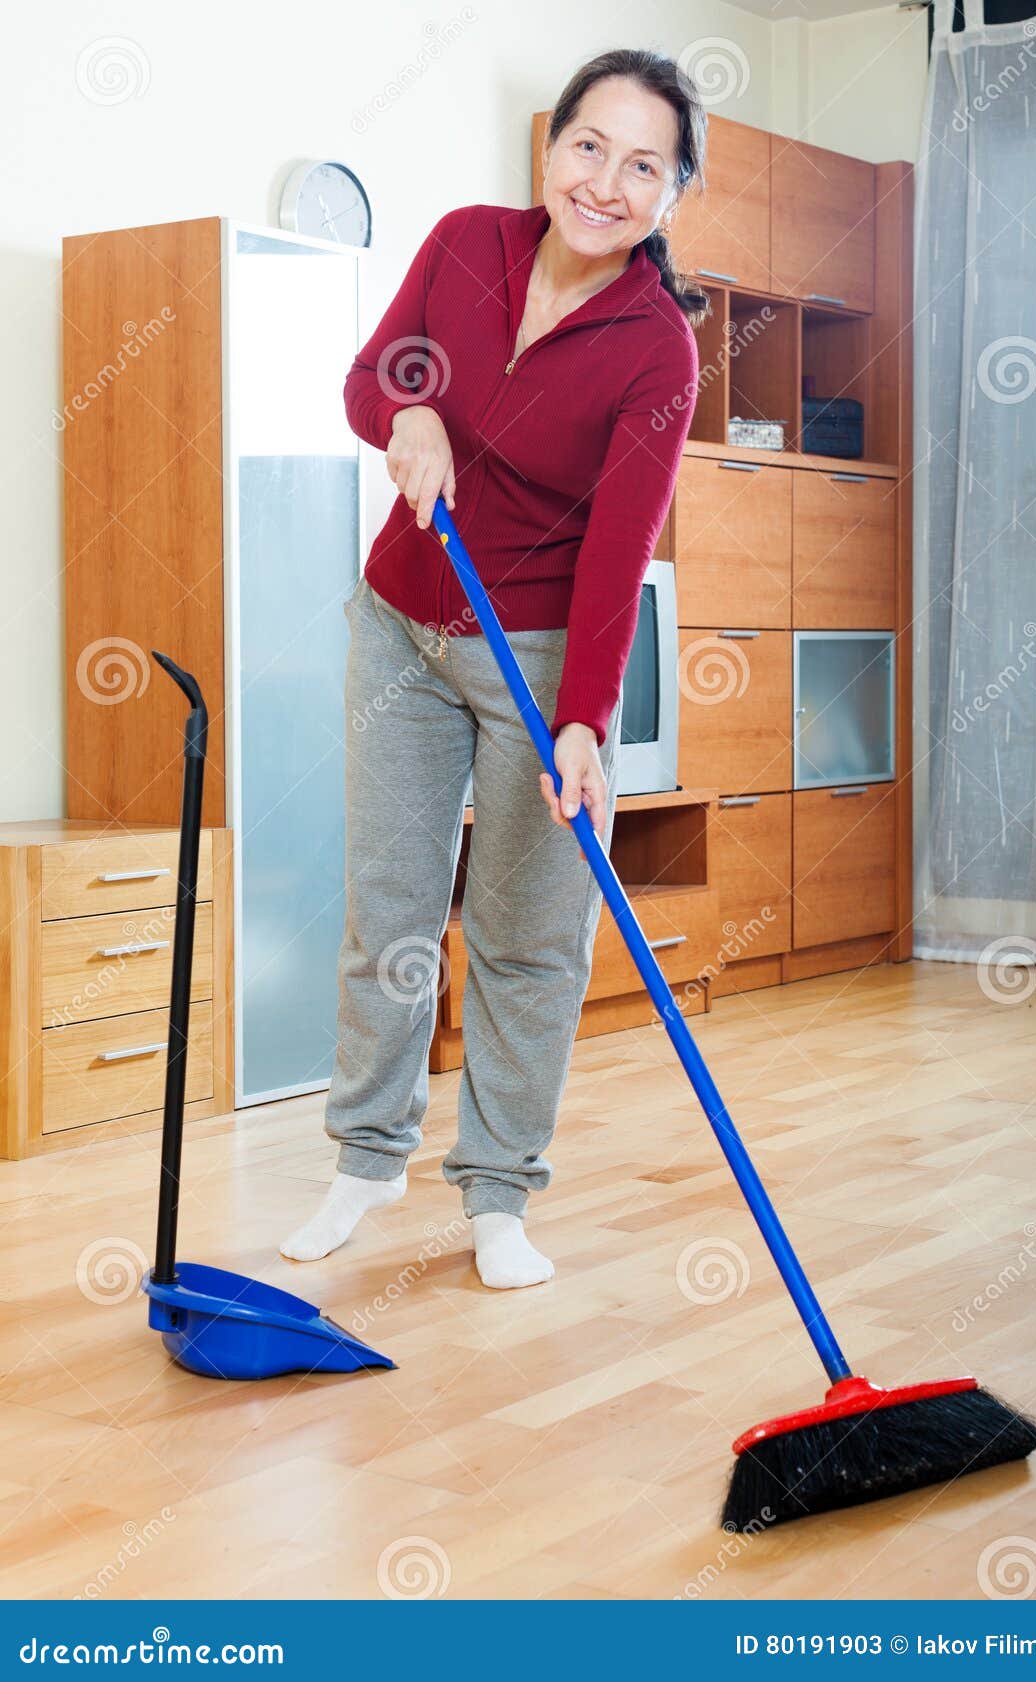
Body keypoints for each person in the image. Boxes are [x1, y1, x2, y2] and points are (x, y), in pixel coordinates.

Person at [280, 47, 707, 1289]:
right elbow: (372, 377)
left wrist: (583, 722)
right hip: (401, 621)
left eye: (643, 166)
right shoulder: (466, 241)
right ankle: (366, 1158)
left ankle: (500, 1190)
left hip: (537, 646)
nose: (606, 182)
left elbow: (618, 554)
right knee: (391, 908)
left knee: (531, 932)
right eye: (590, 147)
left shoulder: (655, 355)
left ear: (669, 195)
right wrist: (404, 416)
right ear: (549, 147)